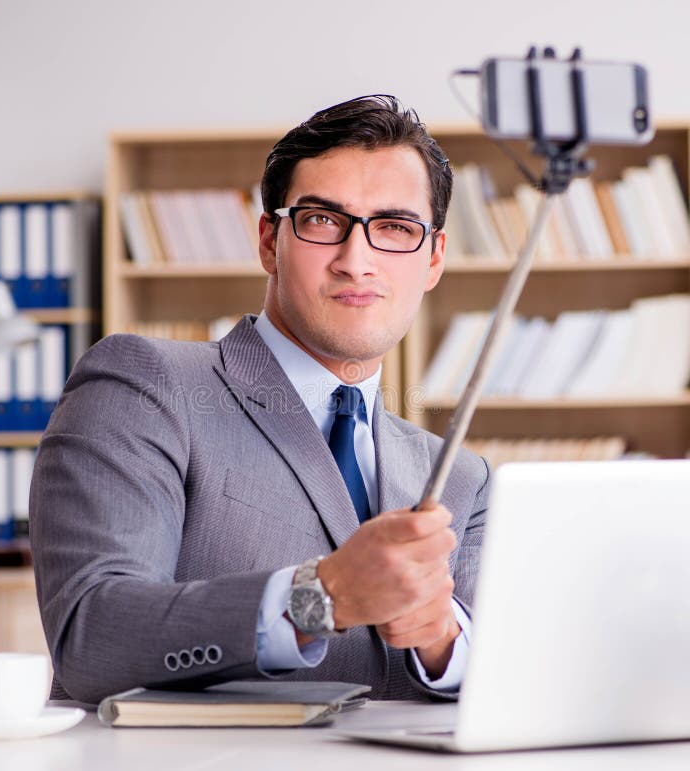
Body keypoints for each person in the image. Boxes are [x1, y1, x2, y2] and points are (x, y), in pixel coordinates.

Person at [29, 95, 490, 705]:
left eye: (395, 228)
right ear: (270, 241)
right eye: (323, 221)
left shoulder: (461, 476)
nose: (357, 261)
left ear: (432, 259)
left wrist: (441, 641)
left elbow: (513, 675)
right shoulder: (145, 384)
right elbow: (92, 636)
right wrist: (318, 598)